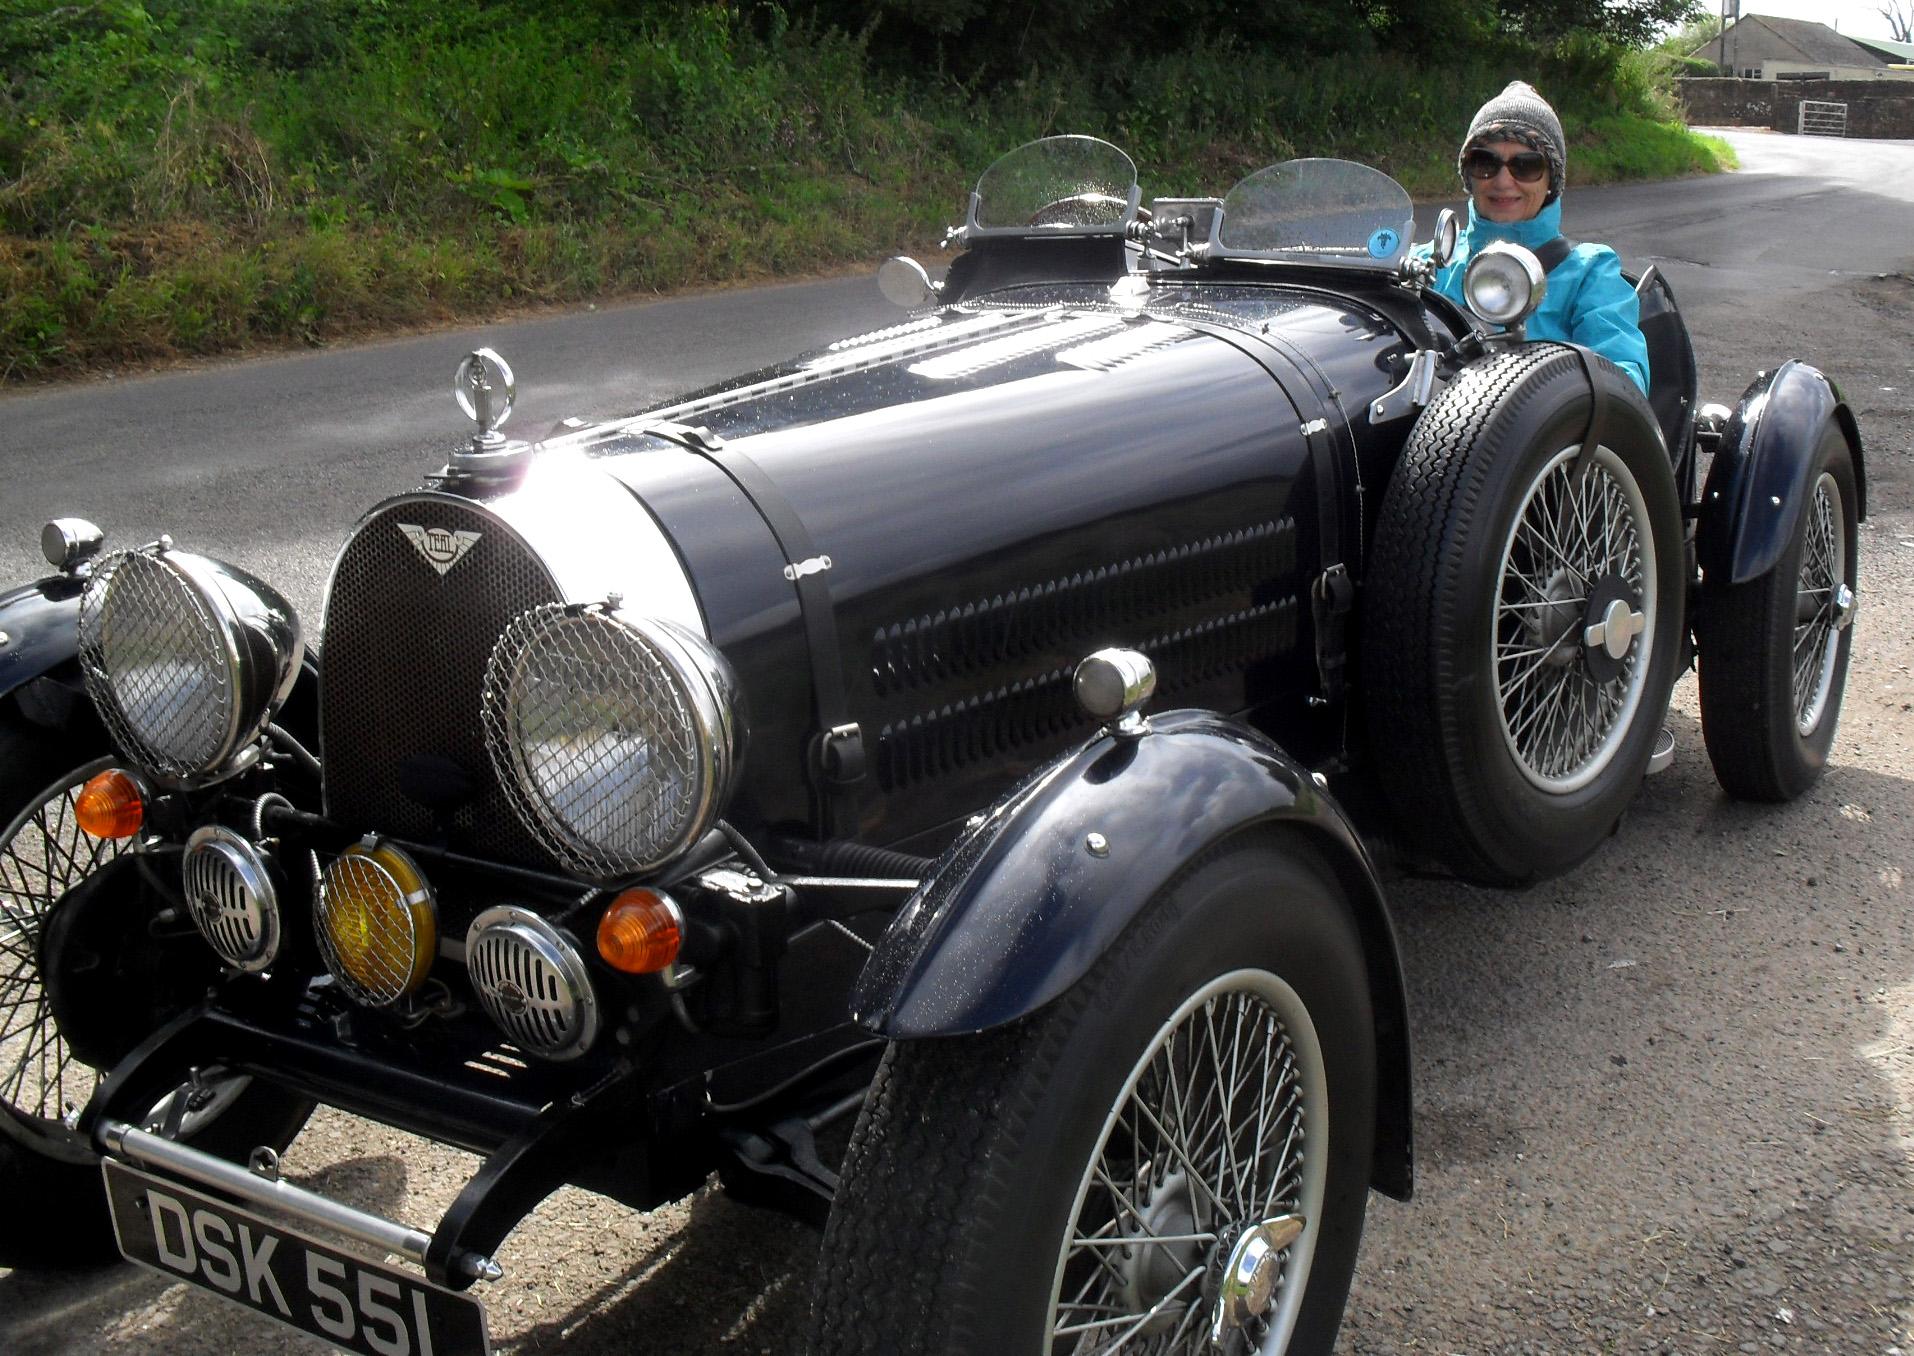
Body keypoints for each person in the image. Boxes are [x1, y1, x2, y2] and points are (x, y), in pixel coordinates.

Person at [1429, 81, 1650, 395]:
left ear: (1551, 181)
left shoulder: (1591, 272)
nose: (1503, 181)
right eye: (1485, 163)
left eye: (1526, 166)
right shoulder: (1432, 261)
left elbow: (1624, 384)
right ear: (1469, 176)